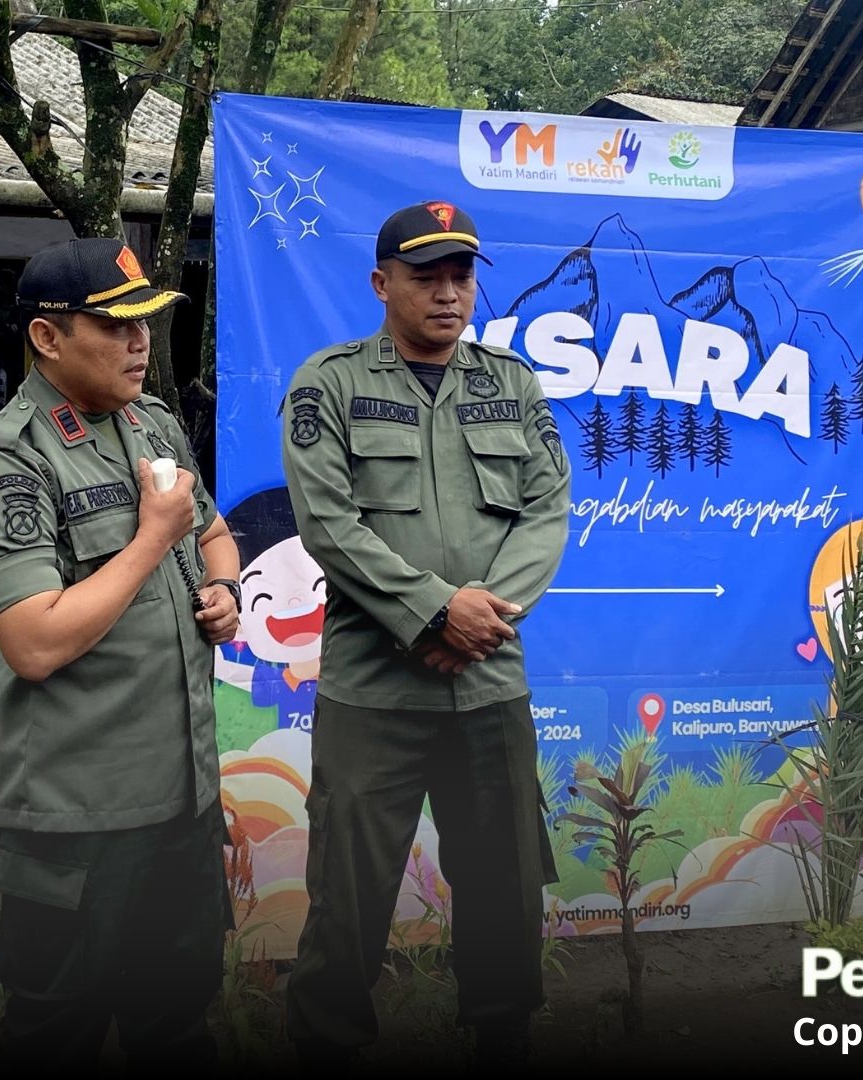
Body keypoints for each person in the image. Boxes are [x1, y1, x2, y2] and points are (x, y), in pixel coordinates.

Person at [279, 200, 571, 1066]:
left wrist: (480, 621)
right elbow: (328, 525)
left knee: (505, 890)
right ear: (381, 284)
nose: (449, 294)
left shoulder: (510, 384)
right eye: (426, 276)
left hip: (488, 683)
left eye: (461, 275)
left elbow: (548, 512)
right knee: (349, 898)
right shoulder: (327, 384)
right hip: (375, 691)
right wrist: (433, 613)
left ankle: (503, 1037)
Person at [0, 237, 242, 1066]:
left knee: (178, 1029)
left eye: (146, 323)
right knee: (55, 1035)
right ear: (47, 338)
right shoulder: (9, 455)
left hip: (180, 804)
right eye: (115, 326)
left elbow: (215, 533)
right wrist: (150, 543)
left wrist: (227, 594)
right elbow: (34, 641)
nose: (139, 343)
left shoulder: (154, 422)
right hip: (80, 823)